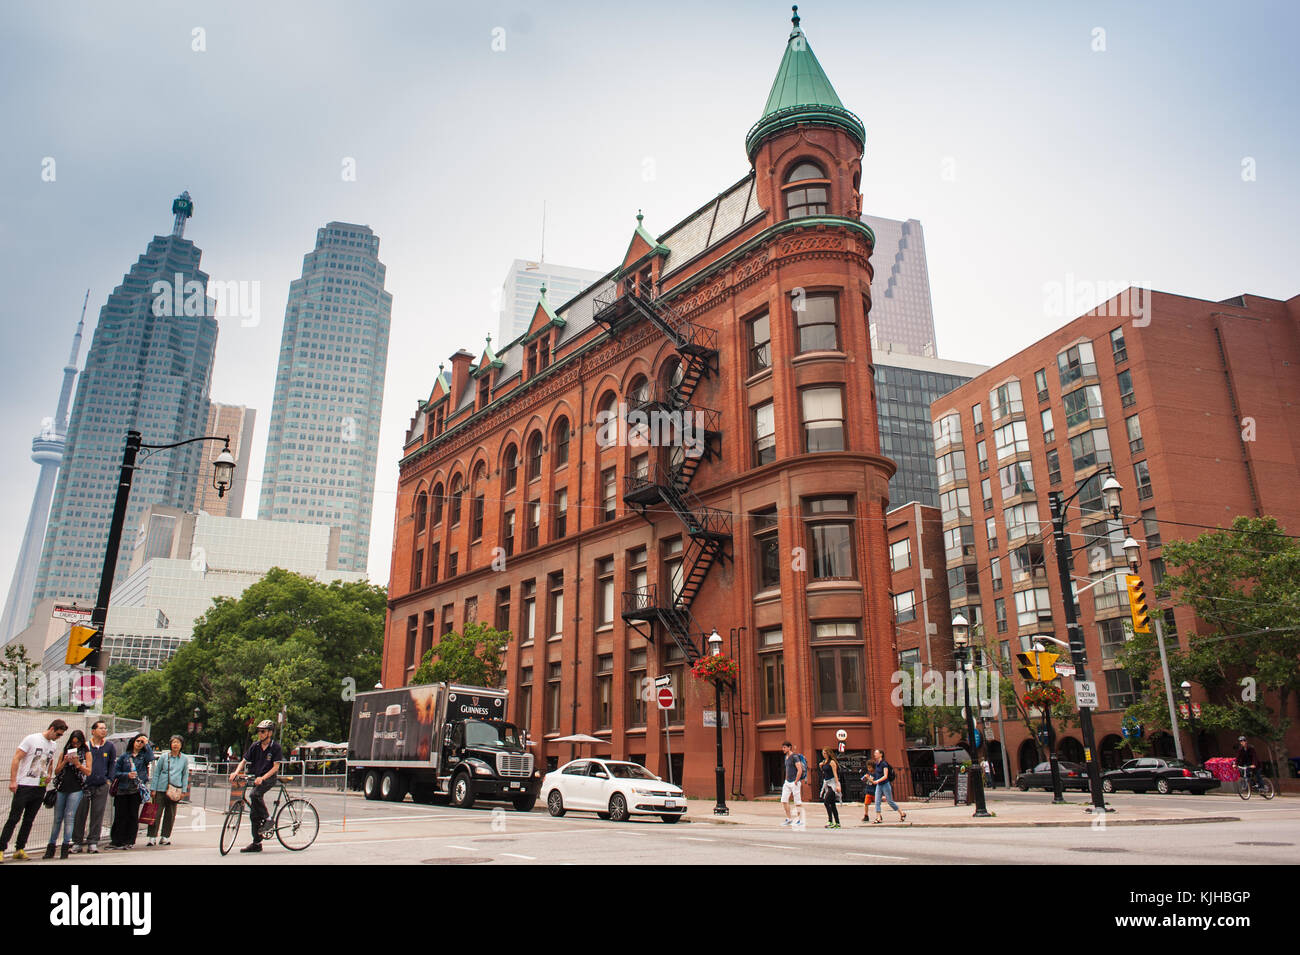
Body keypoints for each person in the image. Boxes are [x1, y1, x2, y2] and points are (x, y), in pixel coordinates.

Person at [1, 718, 67, 861]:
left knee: (29, 819)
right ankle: (1, 848)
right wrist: (13, 780)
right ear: (52, 729)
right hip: (25, 784)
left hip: (39, 786)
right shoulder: (32, 739)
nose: (59, 737)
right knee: (14, 817)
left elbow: (50, 761)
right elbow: (16, 758)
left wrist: (48, 774)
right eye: (58, 734)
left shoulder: (53, 745)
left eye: (61, 735)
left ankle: (20, 848)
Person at [229, 720, 283, 853]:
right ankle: (257, 843)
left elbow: (276, 767)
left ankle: (268, 819)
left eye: (263, 731)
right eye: (259, 731)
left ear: (270, 733)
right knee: (254, 814)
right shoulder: (255, 746)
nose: (260, 733)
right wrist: (236, 772)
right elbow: (244, 761)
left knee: (254, 794)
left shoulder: (275, 747)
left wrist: (263, 778)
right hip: (257, 778)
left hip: (269, 778)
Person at [71, 719, 116, 854]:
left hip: (101, 785)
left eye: (105, 728)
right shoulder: (85, 746)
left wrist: (109, 780)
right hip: (85, 785)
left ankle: (93, 842)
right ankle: (77, 842)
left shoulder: (109, 746)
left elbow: (112, 764)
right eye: (101, 728)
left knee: (97, 814)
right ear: (93, 731)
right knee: (80, 813)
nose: (104, 730)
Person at [44, 729, 91, 859]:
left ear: (81, 742)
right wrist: (65, 761)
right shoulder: (64, 752)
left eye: (78, 743)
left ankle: (65, 846)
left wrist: (77, 764)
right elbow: (57, 771)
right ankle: (51, 846)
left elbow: (88, 772)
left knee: (69, 818)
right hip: (62, 787)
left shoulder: (86, 753)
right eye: (73, 743)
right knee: (57, 818)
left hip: (76, 788)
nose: (75, 745)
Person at [146, 735, 190, 846]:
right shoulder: (164, 757)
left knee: (170, 814)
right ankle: (152, 836)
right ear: (170, 744)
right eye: (174, 742)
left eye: (178, 742)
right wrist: (153, 788)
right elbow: (156, 773)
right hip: (161, 788)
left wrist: (183, 790)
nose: (175, 744)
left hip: (175, 790)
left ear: (181, 745)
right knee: (156, 813)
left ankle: (165, 836)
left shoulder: (184, 759)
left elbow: (185, 775)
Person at [109, 734, 150, 849]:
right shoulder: (124, 757)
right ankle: (117, 840)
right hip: (122, 789)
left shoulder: (143, 757)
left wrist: (147, 743)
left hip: (135, 790)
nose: (139, 743)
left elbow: (151, 757)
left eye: (142, 742)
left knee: (132, 815)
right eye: (138, 741)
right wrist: (127, 775)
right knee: (120, 815)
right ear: (132, 742)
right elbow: (115, 773)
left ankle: (130, 840)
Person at [868, 748, 906, 824]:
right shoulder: (877, 763)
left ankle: (901, 813)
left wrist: (877, 781)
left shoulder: (884, 764)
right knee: (877, 801)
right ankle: (878, 817)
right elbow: (876, 774)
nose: (875, 754)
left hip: (885, 784)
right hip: (879, 785)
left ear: (881, 754)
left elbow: (885, 776)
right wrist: (871, 778)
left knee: (890, 801)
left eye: (876, 753)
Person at [779, 740, 807, 828]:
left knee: (797, 801)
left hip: (794, 782)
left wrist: (796, 781)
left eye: (784, 747)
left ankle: (800, 819)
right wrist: (786, 780)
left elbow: (799, 769)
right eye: (782, 747)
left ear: (789, 747)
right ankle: (789, 818)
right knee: (784, 800)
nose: (783, 749)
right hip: (787, 782)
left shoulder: (794, 756)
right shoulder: (786, 757)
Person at [818, 748, 841, 828]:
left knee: (826, 802)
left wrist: (837, 785)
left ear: (828, 753)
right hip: (827, 783)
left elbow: (835, 774)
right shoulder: (824, 762)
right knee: (832, 804)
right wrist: (821, 766)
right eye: (822, 753)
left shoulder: (832, 762)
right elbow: (824, 772)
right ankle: (837, 822)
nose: (823, 754)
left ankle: (830, 821)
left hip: (833, 784)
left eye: (825, 753)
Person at [861, 756, 876, 822]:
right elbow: (862, 779)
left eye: (870, 767)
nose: (869, 769)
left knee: (877, 804)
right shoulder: (868, 773)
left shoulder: (875, 774)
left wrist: (869, 778)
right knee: (866, 804)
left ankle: (878, 815)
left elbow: (875, 782)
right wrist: (865, 778)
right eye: (868, 767)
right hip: (868, 791)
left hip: (874, 791)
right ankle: (866, 815)